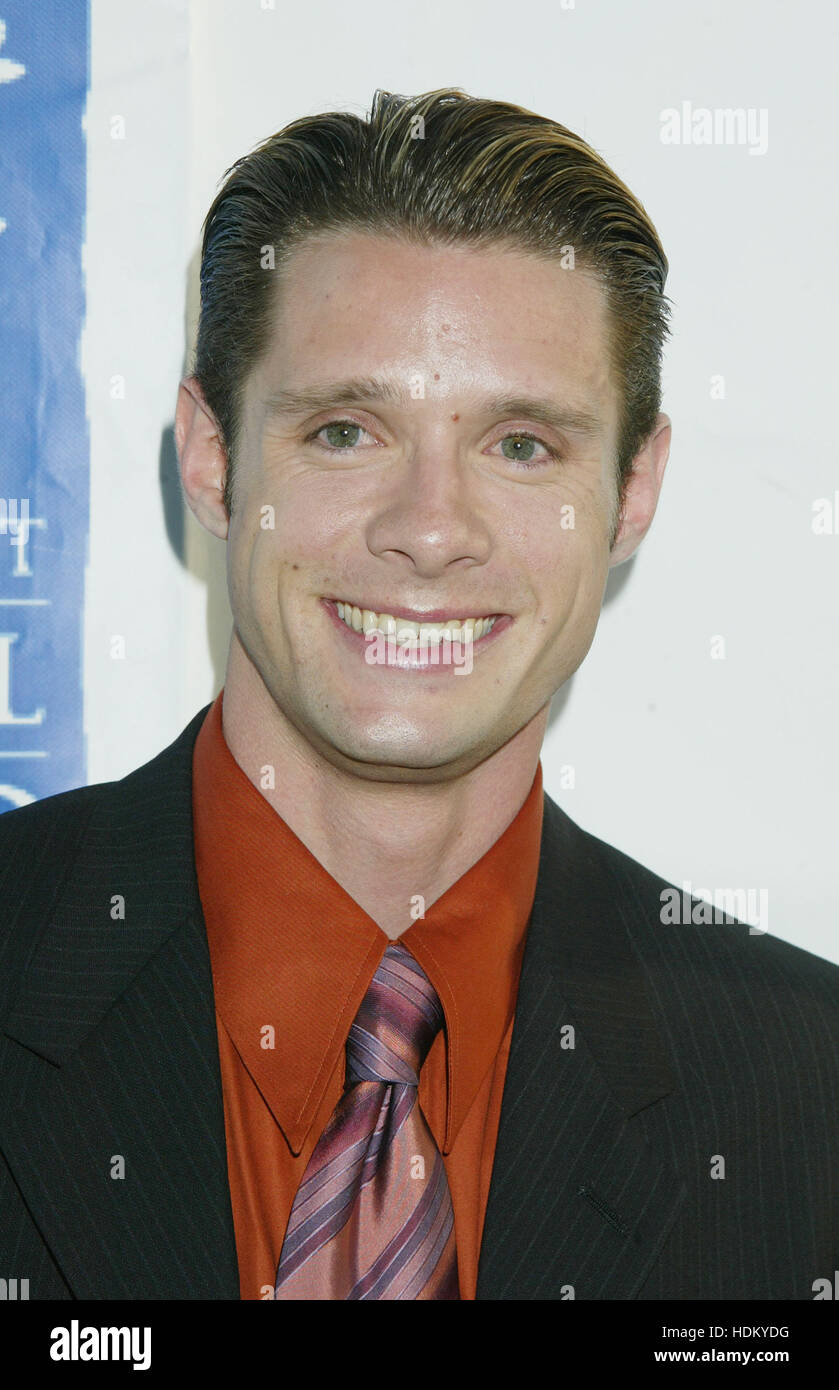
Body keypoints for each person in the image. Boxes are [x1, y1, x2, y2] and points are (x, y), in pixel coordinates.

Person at [1, 87, 837, 1303]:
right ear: (209, 456)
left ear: (633, 489)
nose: (429, 532)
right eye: (345, 431)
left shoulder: (805, 1095)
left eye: (519, 445)